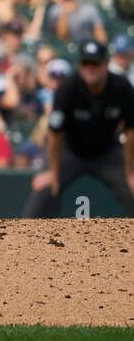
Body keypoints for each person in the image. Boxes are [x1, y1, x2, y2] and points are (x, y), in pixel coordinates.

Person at [25, 40, 134, 216]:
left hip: (107, 151)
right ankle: (25, 240)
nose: (90, 68)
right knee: (44, 189)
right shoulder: (68, 88)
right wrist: (53, 172)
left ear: (106, 64)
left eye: (95, 63)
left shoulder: (121, 87)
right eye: (85, 63)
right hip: (71, 150)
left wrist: (130, 172)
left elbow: (131, 130)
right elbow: (55, 132)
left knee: (132, 188)